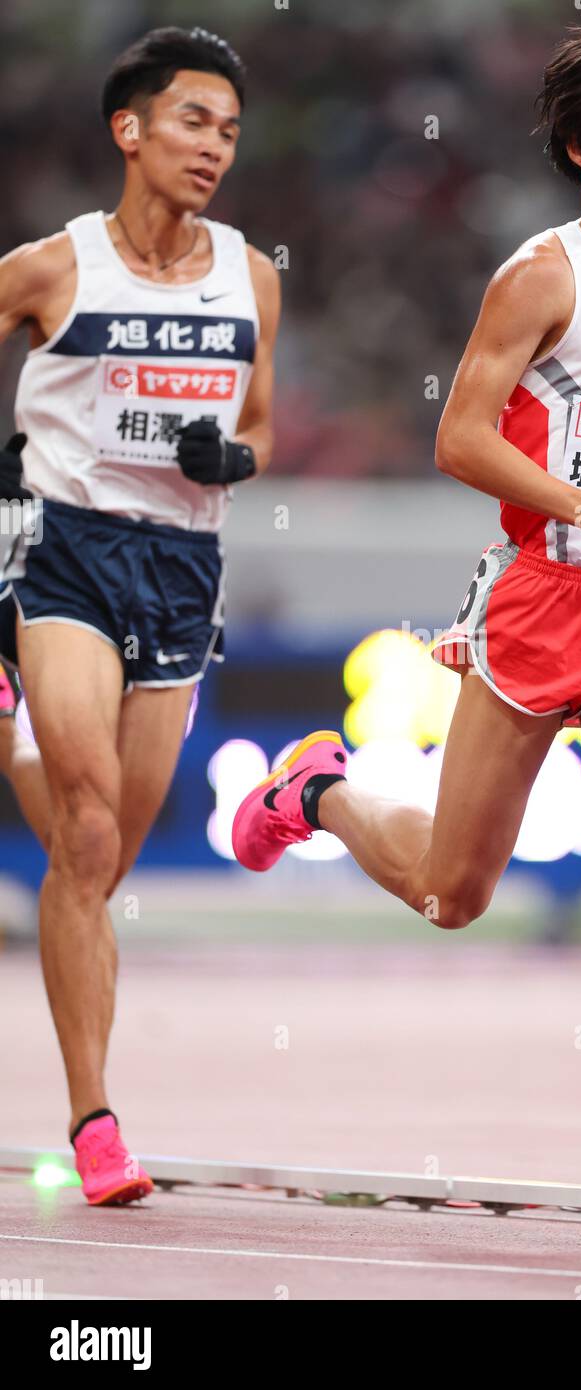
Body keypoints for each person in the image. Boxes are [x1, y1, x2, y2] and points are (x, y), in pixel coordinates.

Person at [231, 22, 581, 1208]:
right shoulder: (538, 273)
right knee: (452, 893)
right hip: (536, 602)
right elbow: (460, 437)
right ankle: (316, 790)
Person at [0, 25, 280, 1205]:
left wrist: (238, 455)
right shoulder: (50, 268)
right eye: (191, 121)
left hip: (180, 568)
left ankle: (8, 719)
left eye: (227, 129)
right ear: (131, 129)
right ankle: (96, 1121)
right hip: (63, 550)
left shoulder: (251, 274)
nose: (213, 146)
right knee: (88, 815)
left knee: (97, 857)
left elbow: (261, 419)